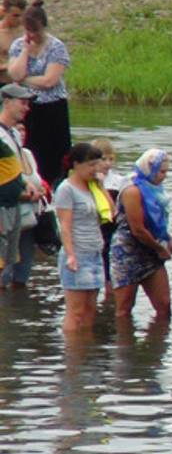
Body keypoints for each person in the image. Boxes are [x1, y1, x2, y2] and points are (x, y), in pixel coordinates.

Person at [6, 0, 70, 185]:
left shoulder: (56, 47)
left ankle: (55, 185)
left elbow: (49, 81)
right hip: (28, 106)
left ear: (43, 27)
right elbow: (14, 73)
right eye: (28, 31)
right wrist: (26, 50)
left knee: (54, 155)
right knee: (28, 148)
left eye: (36, 31)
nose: (32, 35)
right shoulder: (19, 45)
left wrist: (25, 80)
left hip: (52, 107)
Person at [110, 149, 172, 319]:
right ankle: (125, 342)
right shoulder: (132, 190)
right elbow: (137, 229)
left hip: (150, 251)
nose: (164, 176)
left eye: (166, 172)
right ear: (150, 169)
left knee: (164, 306)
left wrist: (167, 237)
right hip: (128, 252)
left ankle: (159, 342)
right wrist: (160, 249)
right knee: (124, 309)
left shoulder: (154, 188)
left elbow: (157, 221)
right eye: (162, 172)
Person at [54, 143, 105, 333]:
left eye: (97, 164)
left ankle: (85, 352)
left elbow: (110, 213)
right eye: (91, 165)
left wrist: (101, 187)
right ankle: (72, 356)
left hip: (94, 252)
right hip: (77, 253)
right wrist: (71, 255)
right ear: (76, 164)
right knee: (76, 311)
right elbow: (65, 226)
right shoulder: (66, 189)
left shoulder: (93, 187)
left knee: (91, 310)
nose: (96, 169)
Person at [0, 84, 39, 279]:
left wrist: (26, 183)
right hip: (2, 206)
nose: (27, 108)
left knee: (9, 261)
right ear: (6, 102)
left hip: (14, 204)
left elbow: (13, 167)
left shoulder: (14, 133)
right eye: (22, 103)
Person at [1, 122, 46, 289]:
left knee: (24, 267)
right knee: (5, 266)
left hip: (29, 218)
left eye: (22, 130)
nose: (21, 133)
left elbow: (35, 180)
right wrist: (26, 195)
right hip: (8, 214)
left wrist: (39, 192)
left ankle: (17, 307)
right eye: (17, 130)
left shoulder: (27, 154)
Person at [90, 138, 122, 295]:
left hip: (112, 231)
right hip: (95, 231)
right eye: (104, 159)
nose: (108, 163)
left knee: (111, 272)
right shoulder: (88, 180)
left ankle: (109, 298)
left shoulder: (118, 180)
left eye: (111, 159)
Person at [0, 0, 27, 82]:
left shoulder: (26, 31)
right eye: (15, 16)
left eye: (22, 15)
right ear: (4, 12)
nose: (19, 20)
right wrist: (10, 66)